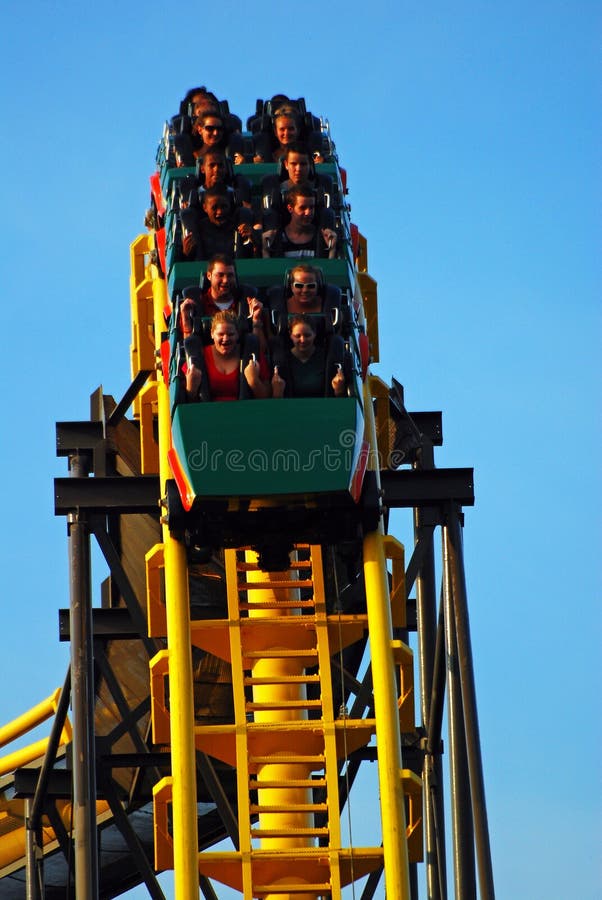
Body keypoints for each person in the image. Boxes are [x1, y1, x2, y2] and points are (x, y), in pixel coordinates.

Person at [185, 310, 270, 401]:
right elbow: (185, 400)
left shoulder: (251, 356)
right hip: (209, 412)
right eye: (220, 334)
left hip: (245, 412)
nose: (225, 339)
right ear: (212, 334)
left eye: (230, 334)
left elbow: (267, 397)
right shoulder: (197, 357)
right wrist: (191, 387)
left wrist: (254, 381)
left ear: (237, 334)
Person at [179, 255, 266, 343]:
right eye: (220, 275)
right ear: (209, 276)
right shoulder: (195, 305)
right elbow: (188, 350)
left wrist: (256, 321)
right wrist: (186, 319)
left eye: (230, 275)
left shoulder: (248, 304)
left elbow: (260, 351)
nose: (225, 280)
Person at [271, 315, 346, 399]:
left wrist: (339, 391)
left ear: (315, 334)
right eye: (297, 336)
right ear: (291, 335)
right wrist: (277, 393)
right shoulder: (282, 360)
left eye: (307, 335)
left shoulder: (328, 358)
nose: (302, 340)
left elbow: (340, 399)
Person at [181, 185, 258, 260]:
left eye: (224, 206)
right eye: (214, 208)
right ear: (205, 208)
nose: (220, 212)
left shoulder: (240, 228)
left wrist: (254, 241)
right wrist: (186, 254)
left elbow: (256, 259)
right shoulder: (197, 230)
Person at [263, 185, 337, 259]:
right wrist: (265, 250)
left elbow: (329, 269)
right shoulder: (276, 237)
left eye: (311, 207)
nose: (308, 213)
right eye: (302, 208)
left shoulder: (322, 237)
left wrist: (332, 250)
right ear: (290, 208)